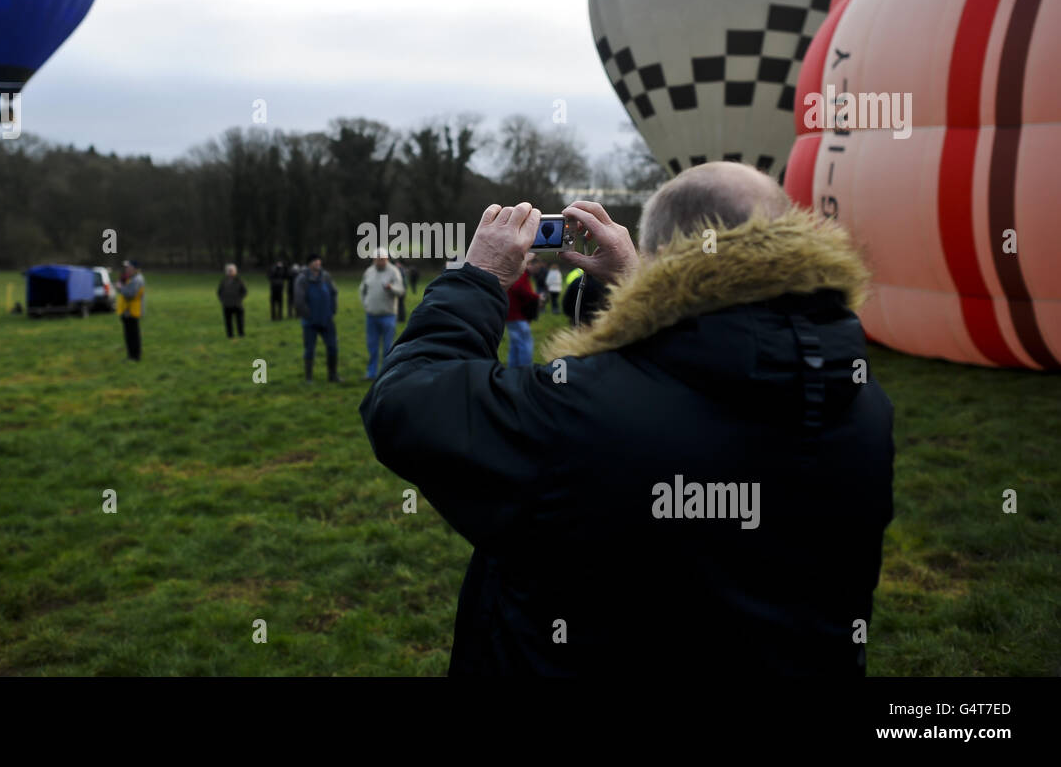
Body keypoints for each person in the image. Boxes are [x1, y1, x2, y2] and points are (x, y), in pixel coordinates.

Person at [359, 163, 894, 676]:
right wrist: (630, 293)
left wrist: (478, 279)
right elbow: (681, 379)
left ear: (661, 255)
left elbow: (405, 399)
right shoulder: (859, 400)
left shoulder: (578, 416)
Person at [294, 253, 340, 382]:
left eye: (319, 261)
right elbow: (299, 300)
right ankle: (309, 377)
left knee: (333, 347)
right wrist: (308, 315)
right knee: (309, 350)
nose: (318, 263)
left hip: (327, 319)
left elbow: (334, 292)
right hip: (310, 322)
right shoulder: (302, 279)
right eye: (315, 261)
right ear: (309, 264)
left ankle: (333, 375)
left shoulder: (326, 276)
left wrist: (332, 310)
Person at [359, 248, 404, 381]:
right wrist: (366, 304)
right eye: (377, 260)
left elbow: (401, 290)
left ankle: (386, 373)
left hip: (388, 315)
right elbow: (362, 290)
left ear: (387, 259)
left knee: (388, 347)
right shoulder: (369, 271)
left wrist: (392, 288)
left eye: (382, 260)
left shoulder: (393, 271)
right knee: (372, 346)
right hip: (371, 315)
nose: (380, 262)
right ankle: (371, 373)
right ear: (374, 260)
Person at [504, 253, 541, 368]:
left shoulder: (515, 272)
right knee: (525, 344)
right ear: (529, 264)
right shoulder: (522, 273)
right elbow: (519, 288)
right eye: (537, 267)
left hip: (511, 314)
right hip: (517, 315)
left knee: (515, 344)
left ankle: (513, 370)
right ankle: (525, 372)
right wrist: (536, 297)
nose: (537, 270)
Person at [116, 259, 146, 361]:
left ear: (134, 268)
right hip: (128, 311)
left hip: (131, 312)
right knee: (130, 335)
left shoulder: (137, 279)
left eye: (128, 267)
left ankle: (134, 356)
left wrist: (120, 288)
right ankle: (132, 355)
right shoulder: (132, 278)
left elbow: (130, 294)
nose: (126, 269)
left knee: (133, 335)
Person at [218, 263, 248, 338]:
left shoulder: (239, 280)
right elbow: (219, 292)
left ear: (235, 271)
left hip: (237, 304)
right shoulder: (223, 281)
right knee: (228, 321)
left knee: (240, 321)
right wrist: (223, 300)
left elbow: (244, 291)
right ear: (226, 272)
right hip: (227, 304)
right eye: (228, 271)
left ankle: (241, 334)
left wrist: (239, 299)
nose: (230, 272)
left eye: (232, 270)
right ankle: (230, 335)